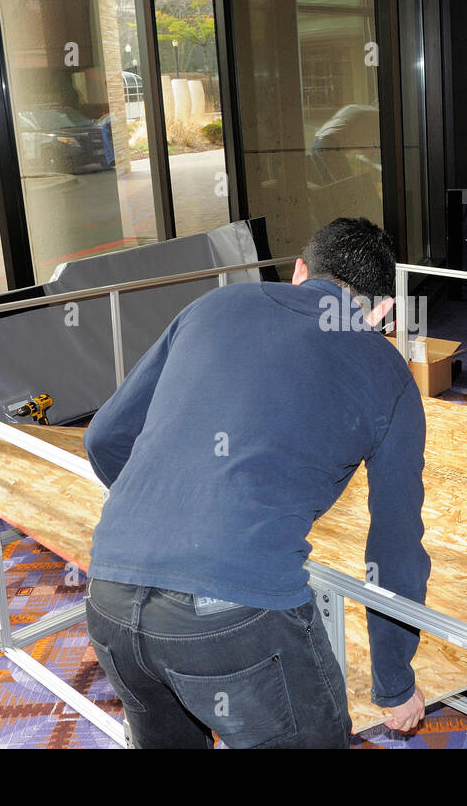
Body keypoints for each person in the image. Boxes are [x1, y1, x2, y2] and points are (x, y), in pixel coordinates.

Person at [83, 217, 431, 748]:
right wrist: (394, 681)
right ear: (383, 310)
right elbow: (395, 547)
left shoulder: (213, 305)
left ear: (299, 271)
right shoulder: (388, 375)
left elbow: (103, 437)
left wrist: (167, 516)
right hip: (237, 617)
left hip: (109, 592)